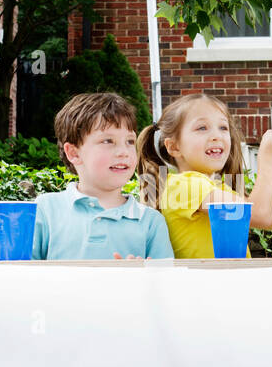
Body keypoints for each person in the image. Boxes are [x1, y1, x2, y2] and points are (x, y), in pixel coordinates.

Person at [137, 92, 272, 258]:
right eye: (202, 128)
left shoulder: (221, 189)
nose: (216, 136)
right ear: (174, 147)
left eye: (223, 127)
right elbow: (260, 214)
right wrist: (268, 156)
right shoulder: (184, 185)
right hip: (208, 284)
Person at [32, 92, 173, 260]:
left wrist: (140, 277)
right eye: (108, 141)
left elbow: (164, 282)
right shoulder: (45, 209)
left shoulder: (150, 221)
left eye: (129, 142)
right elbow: (22, 276)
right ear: (74, 153)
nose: (124, 152)